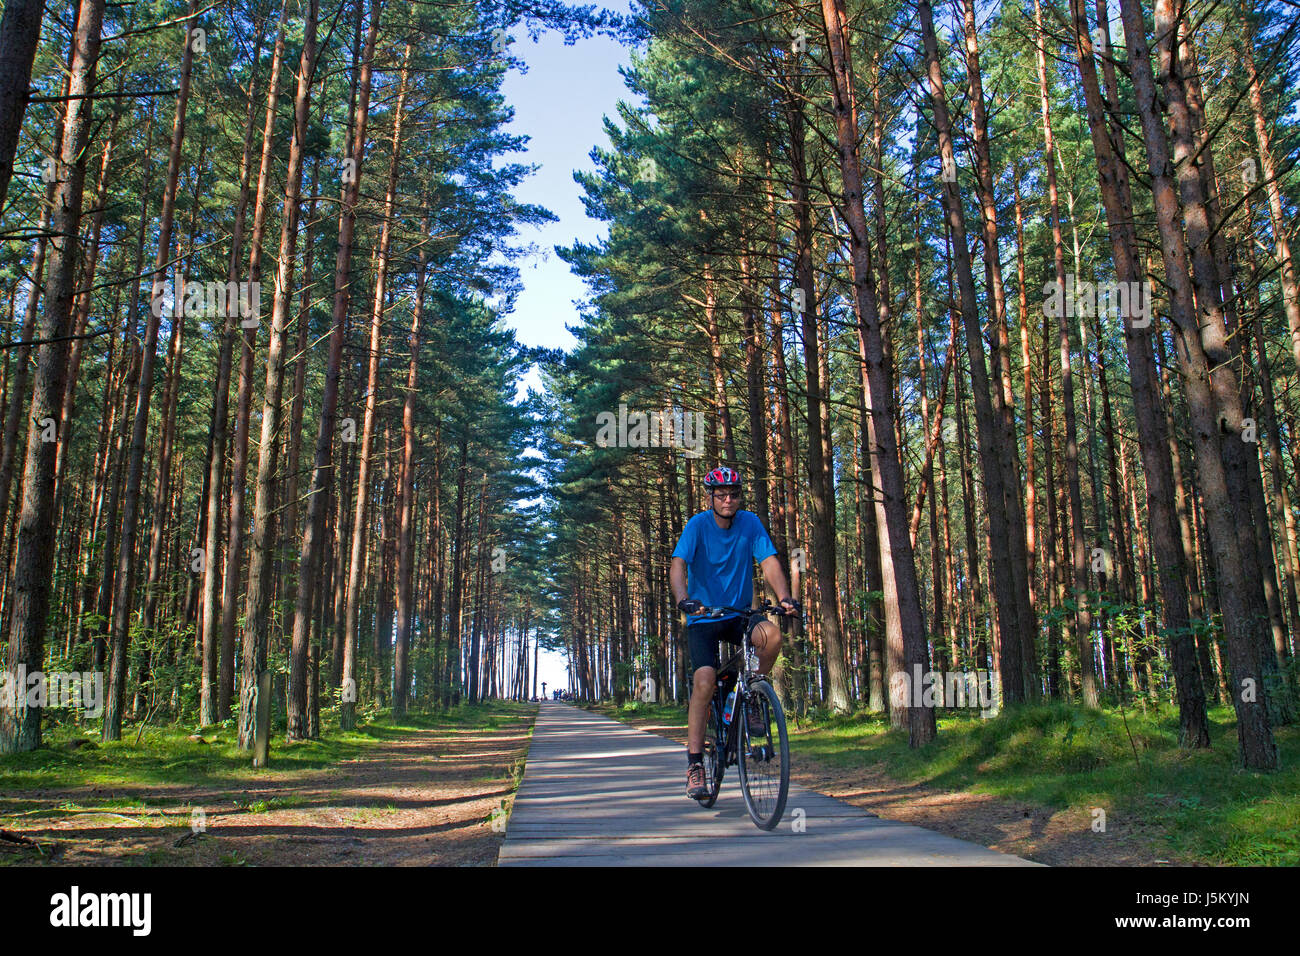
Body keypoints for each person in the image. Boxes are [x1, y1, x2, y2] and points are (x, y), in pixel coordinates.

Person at [669, 466, 798, 800]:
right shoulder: (697, 525)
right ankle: (695, 765)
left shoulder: (750, 523)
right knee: (704, 680)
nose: (728, 500)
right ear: (710, 497)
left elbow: (769, 562)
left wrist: (784, 597)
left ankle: (750, 695)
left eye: (734, 494)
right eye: (722, 494)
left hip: (739, 614)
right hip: (704, 617)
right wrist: (684, 600)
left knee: (772, 638)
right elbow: (678, 565)